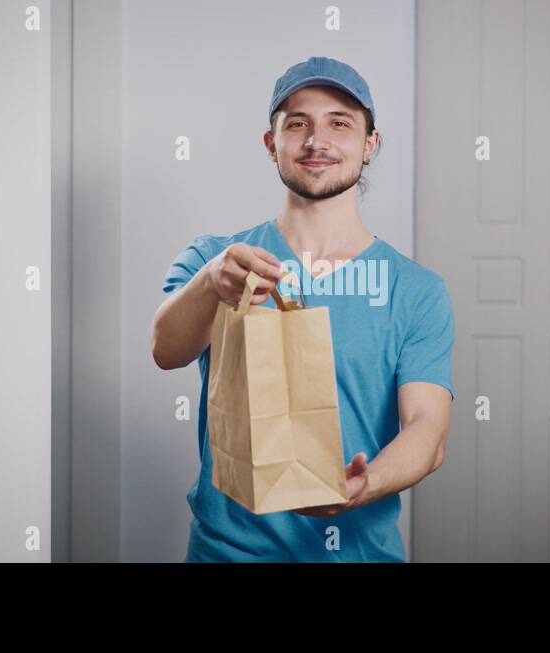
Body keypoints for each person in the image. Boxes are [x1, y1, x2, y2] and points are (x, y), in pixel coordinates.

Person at [151, 56, 455, 562]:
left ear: (370, 143)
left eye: (340, 123)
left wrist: (367, 483)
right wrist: (211, 284)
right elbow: (166, 350)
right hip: (229, 554)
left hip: (360, 554)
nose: (318, 141)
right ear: (272, 145)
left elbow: (428, 425)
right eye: (298, 124)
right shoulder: (217, 259)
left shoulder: (415, 290)